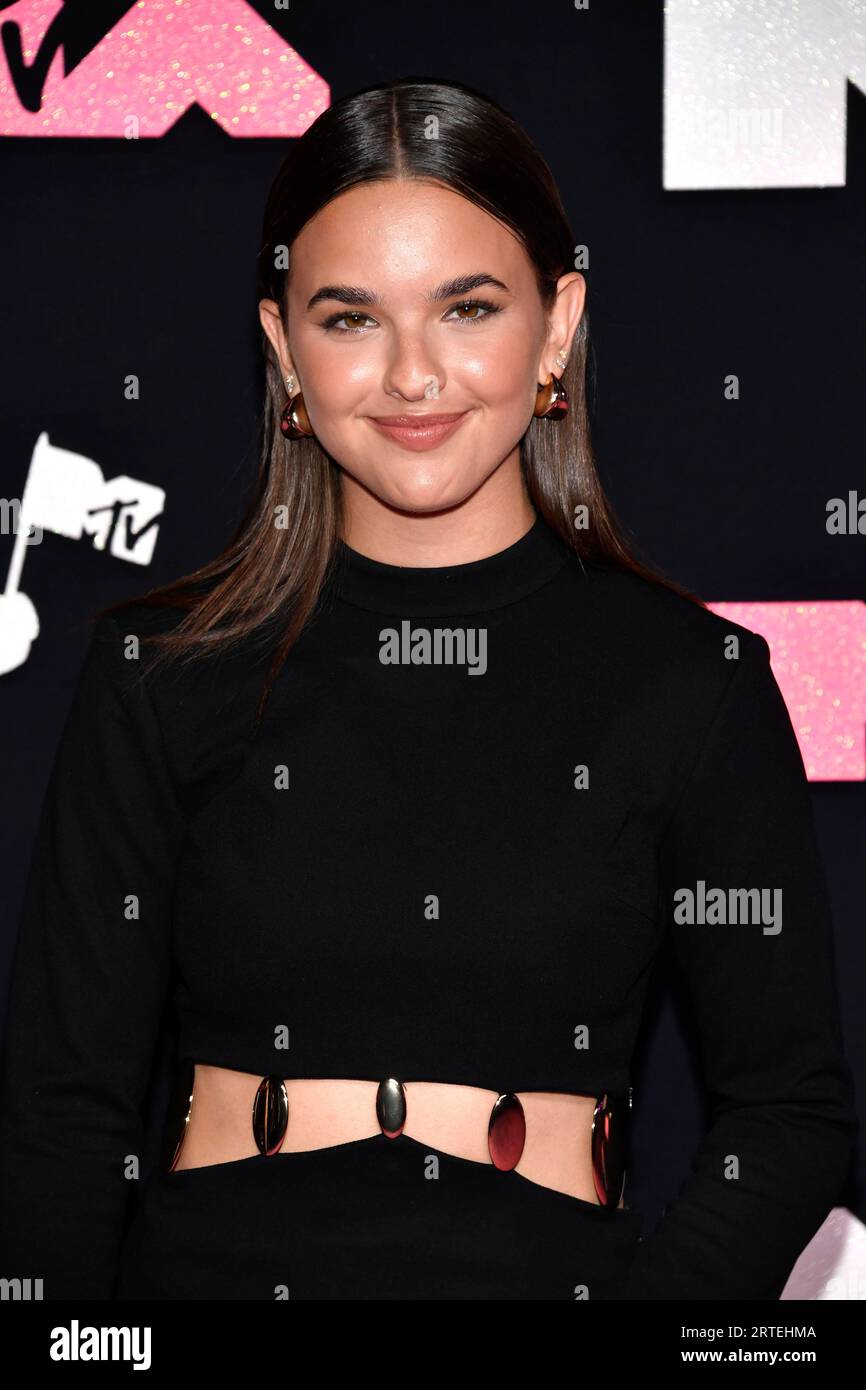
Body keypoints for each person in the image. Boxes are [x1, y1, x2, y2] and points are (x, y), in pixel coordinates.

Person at [0, 76, 856, 1301]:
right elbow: (60, 1118)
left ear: (555, 325)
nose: (413, 376)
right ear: (280, 344)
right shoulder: (159, 671)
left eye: (467, 307)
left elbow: (786, 1110)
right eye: (349, 318)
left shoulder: (691, 685)